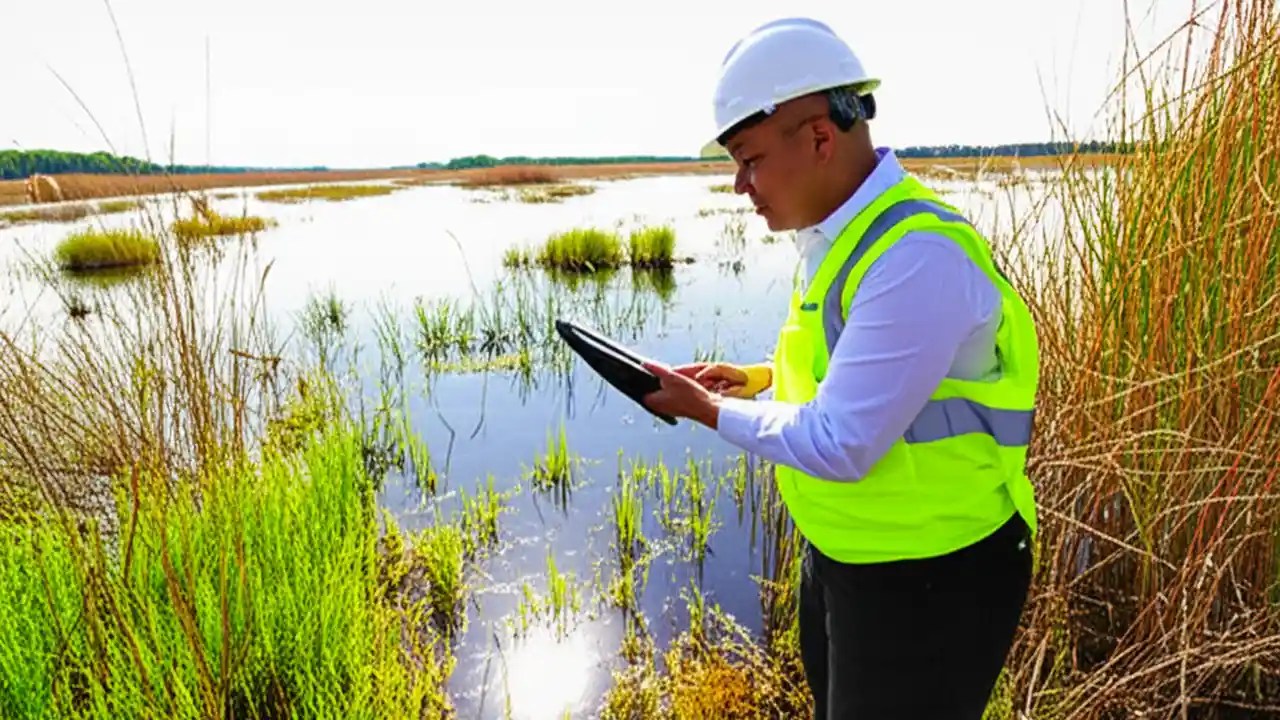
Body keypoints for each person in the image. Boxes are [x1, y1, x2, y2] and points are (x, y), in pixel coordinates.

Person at [641, 17, 1040, 720]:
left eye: (750, 158)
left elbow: (843, 440)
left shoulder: (915, 255)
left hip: (931, 576)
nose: (740, 184)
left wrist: (707, 410)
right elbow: (855, 371)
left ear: (822, 137)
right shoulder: (835, 234)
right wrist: (754, 379)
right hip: (849, 556)